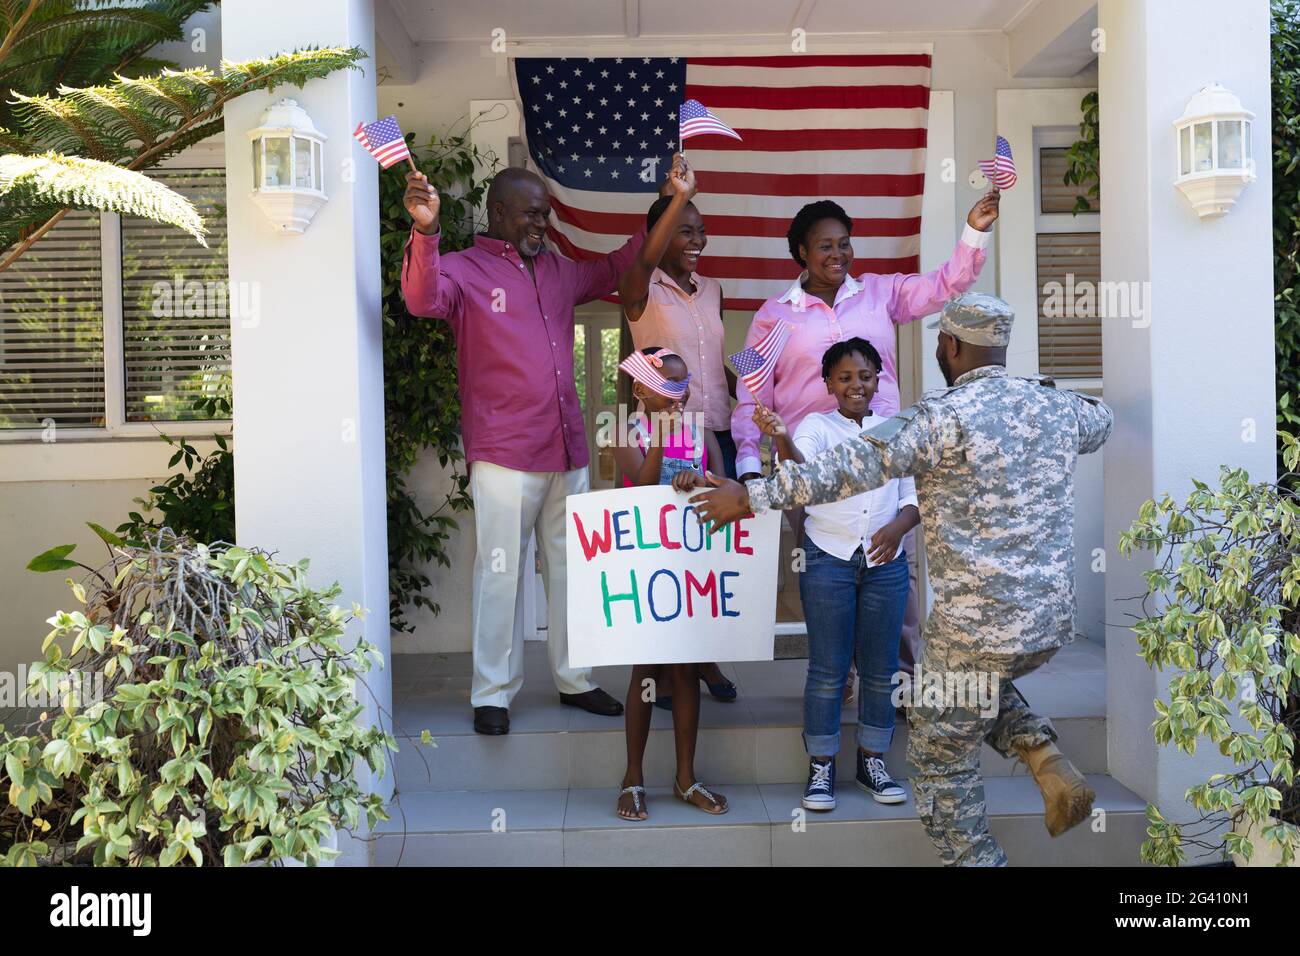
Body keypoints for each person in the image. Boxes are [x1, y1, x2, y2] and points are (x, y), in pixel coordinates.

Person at [688, 293, 1114, 866]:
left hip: (974, 626)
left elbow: (845, 471)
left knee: (941, 762)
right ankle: (1042, 753)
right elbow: (1101, 421)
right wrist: (1043, 392)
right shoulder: (1058, 409)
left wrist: (752, 496)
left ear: (952, 346)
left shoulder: (941, 417)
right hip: (1047, 624)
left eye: (941, 339)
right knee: (977, 679)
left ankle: (980, 860)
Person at [400, 164, 648, 735]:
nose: (542, 222)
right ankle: (493, 692)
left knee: (572, 570)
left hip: (568, 447)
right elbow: (420, 298)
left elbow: (616, 268)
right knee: (501, 572)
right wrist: (426, 230)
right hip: (506, 450)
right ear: (499, 215)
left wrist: (659, 212)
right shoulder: (462, 269)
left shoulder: (559, 272)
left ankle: (575, 679)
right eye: (531, 213)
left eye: (546, 213)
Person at [731, 191, 1001, 683]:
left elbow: (945, 285)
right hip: (808, 467)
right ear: (801, 253)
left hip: (885, 458)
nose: (838, 255)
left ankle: (898, 681)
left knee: (893, 569)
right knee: (824, 579)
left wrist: (974, 231)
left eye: (845, 245)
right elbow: (753, 398)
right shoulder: (776, 316)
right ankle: (842, 680)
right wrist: (750, 466)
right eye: (825, 247)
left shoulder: (880, 293)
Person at [752, 338, 919, 811]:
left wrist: (898, 527)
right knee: (827, 669)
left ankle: (872, 761)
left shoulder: (896, 430)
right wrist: (781, 435)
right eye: (844, 377)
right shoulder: (816, 427)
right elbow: (800, 475)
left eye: (864, 376)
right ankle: (821, 766)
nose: (855, 385)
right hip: (828, 558)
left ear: (878, 380)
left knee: (881, 669)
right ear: (828, 383)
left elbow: (913, 496)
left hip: (885, 563)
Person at [619, 155, 739, 709]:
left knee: (707, 554)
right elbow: (646, 255)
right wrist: (675, 198)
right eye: (683, 230)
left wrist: (752, 391)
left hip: (714, 434)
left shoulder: (712, 290)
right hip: (665, 438)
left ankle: (704, 658)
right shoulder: (641, 287)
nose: (697, 239)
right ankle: (663, 669)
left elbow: (712, 360)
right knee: (666, 552)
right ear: (661, 233)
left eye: (700, 229)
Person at [612, 347, 728, 821]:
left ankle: (686, 776)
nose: (679, 396)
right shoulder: (623, 431)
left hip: (690, 563)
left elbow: (726, 484)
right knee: (646, 668)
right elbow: (638, 486)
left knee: (684, 669)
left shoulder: (700, 432)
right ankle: (632, 777)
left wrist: (700, 478)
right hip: (645, 563)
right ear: (641, 390)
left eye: (684, 385)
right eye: (668, 386)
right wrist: (660, 440)